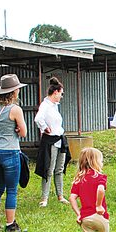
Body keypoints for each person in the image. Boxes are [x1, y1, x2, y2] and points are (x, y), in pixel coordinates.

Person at [0, 74, 27, 232]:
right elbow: (23, 132)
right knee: (11, 190)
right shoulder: (16, 109)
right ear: (13, 92)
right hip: (10, 151)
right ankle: (10, 225)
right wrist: (17, 129)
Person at [69, 148, 111, 232]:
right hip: (100, 216)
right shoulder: (100, 177)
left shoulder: (78, 180)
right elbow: (100, 189)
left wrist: (78, 214)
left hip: (85, 218)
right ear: (96, 162)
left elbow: (72, 198)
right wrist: (98, 205)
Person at [34, 76, 68, 208]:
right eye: (61, 93)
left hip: (60, 139)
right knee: (49, 168)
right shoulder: (45, 105)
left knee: (59, 169)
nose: (61, 96)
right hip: (50, 140)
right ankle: (45, 197)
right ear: (55, 92)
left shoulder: (55, 106)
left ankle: (60, 195)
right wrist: (44, 128)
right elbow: (38, 119)